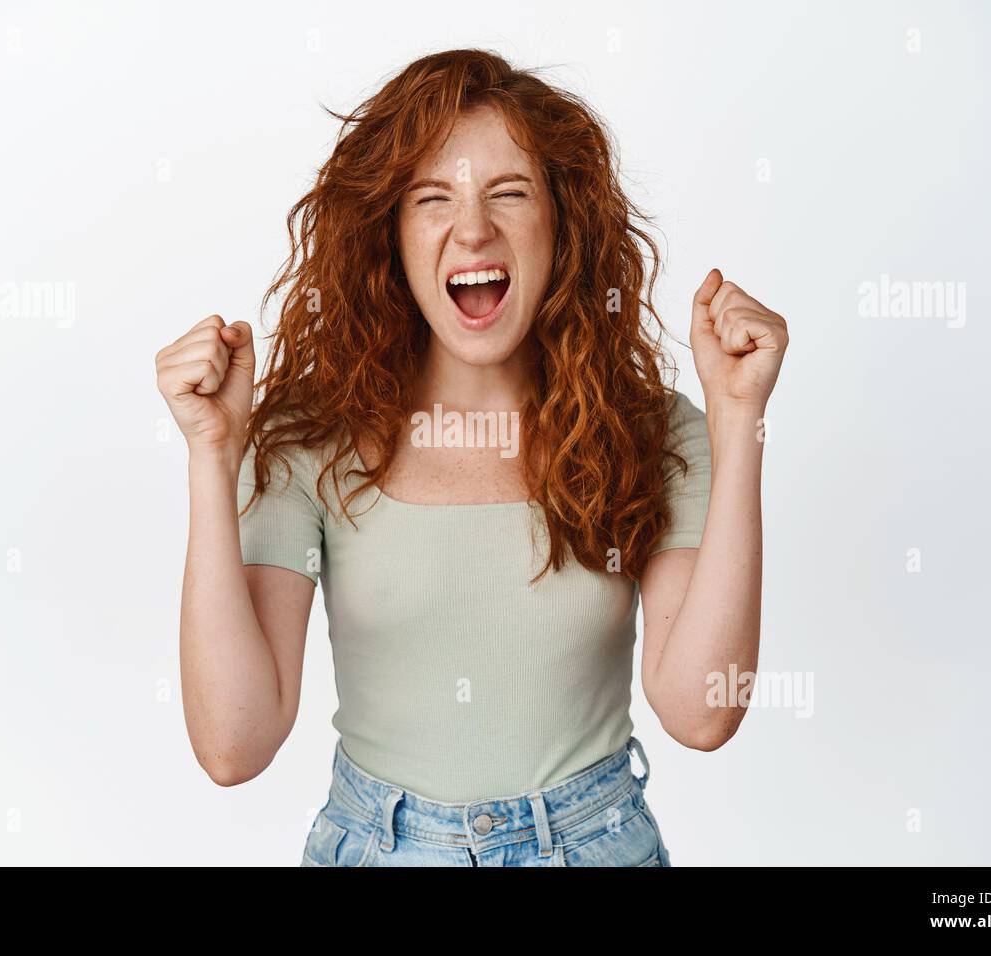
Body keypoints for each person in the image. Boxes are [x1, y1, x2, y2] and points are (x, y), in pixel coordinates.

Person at [154, 49, 788, 866]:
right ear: (390, 232)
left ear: (564, 223)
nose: (474, 229)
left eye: (510, 193)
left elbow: (703, 712)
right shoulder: (309, 439)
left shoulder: (652, 429)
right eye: (433, 199)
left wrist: (739, 424)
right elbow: (232, 748)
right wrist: (213, 455)